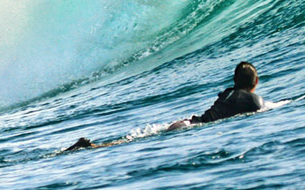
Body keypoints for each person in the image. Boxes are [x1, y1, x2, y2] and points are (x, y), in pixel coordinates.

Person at [66, 61, 266, 151]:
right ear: (255, 82)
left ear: (235, 80)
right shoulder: (253, 100)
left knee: (136, 140)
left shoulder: (227, 92)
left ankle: (92, 146)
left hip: (186, 122)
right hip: (193, 128)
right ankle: (90, 147)